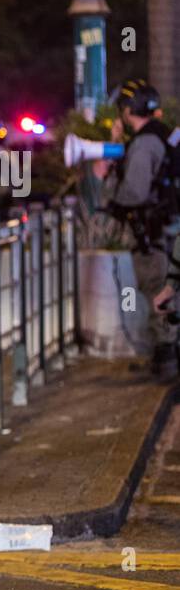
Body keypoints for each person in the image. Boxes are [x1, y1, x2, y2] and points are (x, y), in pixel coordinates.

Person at [97, 79, 176, 378]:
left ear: (129, 110)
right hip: (165, 229)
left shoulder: (143, 144)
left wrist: (109, 176)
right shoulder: (162, 136)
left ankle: (166, 364)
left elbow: (133, 194)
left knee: (158, 291)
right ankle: (165, 360)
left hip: (152, 234)